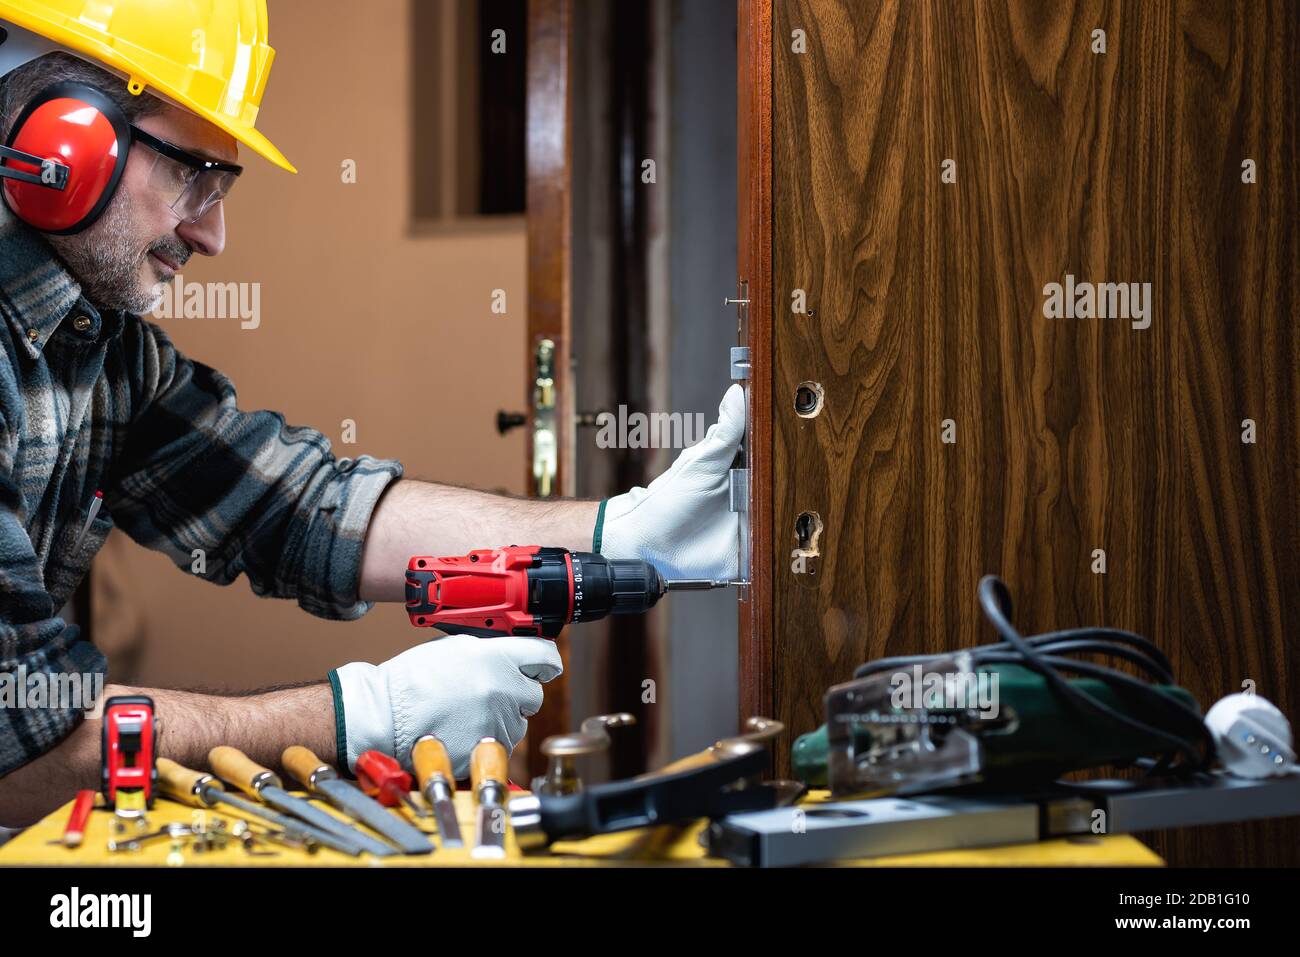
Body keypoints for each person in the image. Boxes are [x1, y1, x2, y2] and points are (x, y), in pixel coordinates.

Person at [0, 0, 743, 827]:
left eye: (224, 183)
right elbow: (19, 743)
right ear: (57, 143)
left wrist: (624, 534)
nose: (212, 235)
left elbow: (292, 507)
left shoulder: (99, 347)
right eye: (191, 176)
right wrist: (368, 718)